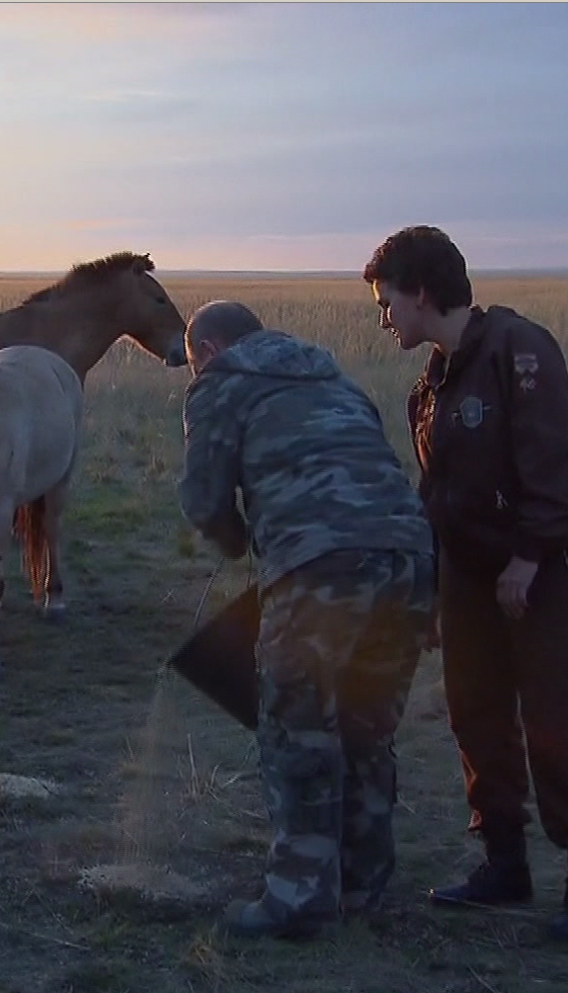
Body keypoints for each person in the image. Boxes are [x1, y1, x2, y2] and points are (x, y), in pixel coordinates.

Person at [362, 225, 568, 945]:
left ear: (420, 293)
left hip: (546, 573)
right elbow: (437, 495)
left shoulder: (519, 350)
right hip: (472, 576)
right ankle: (505, 864)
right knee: (476, 715)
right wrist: (436, 587)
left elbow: (555, 466)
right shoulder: (431, 385)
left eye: (388, 303)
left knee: (557, 718)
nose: (385, 318)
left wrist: (529, 560)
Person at [176, 300, 436, 940]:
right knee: (367, 727)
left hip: (321, 570)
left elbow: (203, 500)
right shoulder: (333, 378)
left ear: (208, 351)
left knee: (299, 732)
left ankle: (300, 895)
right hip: (410, 562)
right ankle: (363, 881)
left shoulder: (220, 382)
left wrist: (238, 541)